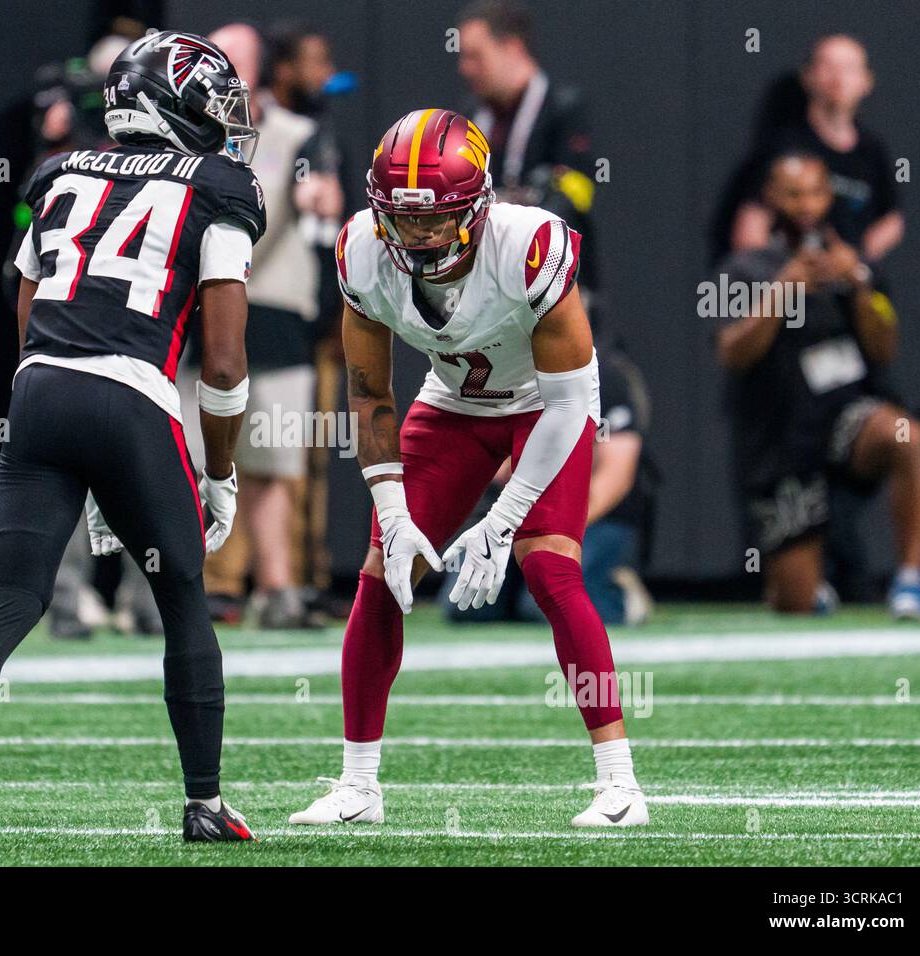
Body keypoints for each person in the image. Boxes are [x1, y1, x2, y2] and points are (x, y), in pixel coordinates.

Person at [0, 31, 267, 847]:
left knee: (7, 605)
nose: (225, 119)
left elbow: (26, 300)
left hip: (38, 390)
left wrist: (55, 391)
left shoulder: (60, 168)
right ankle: (204, 802)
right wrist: (221, 468)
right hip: (131, 397)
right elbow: (228, 359)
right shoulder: (221, 184)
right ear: (174, 106)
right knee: (182, 602)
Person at [288, 109, 647, 829]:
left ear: (479, 206)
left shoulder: (528, 245)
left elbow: (573, 402)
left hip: (546, 407)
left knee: (549, 567)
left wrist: (503, 518)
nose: (417, 238)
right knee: (381, 574)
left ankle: (620, 785)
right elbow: (367, 392)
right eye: (403, 220)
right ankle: (359, 786)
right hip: (452, 404)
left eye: (436, 220)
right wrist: (391, 510)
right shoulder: (361, 247)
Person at [715, 152, 920, 618]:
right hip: (781, 435)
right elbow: (732, 352)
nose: (806, 204)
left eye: (815, 191)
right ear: (772, 197)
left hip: (845, 417)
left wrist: (859, 287)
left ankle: (911, 580)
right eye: (793, 193)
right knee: (794, 602)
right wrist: (782, 289)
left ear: (828, 195)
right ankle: (806, 583)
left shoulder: (851, 264)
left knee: (907, 436)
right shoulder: (747, 268)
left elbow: (884, 348)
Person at [175, 23, 343, 629]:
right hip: (197, 316)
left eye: (232, 67)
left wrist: (323, 198)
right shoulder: (186, 139)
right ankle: (185, 590)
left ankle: (277, 590)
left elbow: (296, 214)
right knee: (191, 460)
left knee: (272, 465)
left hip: (272, 314)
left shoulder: (297, 136)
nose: (220, 80)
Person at [439, 345, 655, 626]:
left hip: (591, 516)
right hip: (518, 511)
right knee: (466, 604)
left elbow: (616, 475)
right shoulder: (501, 375)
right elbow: (489, 465)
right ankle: (516, 588)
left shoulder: (606, 376)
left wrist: (559, 528)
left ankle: (622, 595)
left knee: (549, 601)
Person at [456, 0, 598, 292]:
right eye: (463, 57)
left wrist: (515, 208)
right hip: (485, 289)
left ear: (512, 47)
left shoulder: (563, 109)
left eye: (475, 57)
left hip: (555, 282)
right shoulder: (471, 115)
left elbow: (579, 196)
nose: (465, 68)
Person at [730, 35, 903, 263]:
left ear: (866, 80)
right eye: (828, 66)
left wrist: (856, 262)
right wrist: (780, 283)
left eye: (849, 68)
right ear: (808, 76)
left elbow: (891, 219)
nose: (838, 78)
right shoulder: (783, 148)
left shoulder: (872, 151)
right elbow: (751, 227)